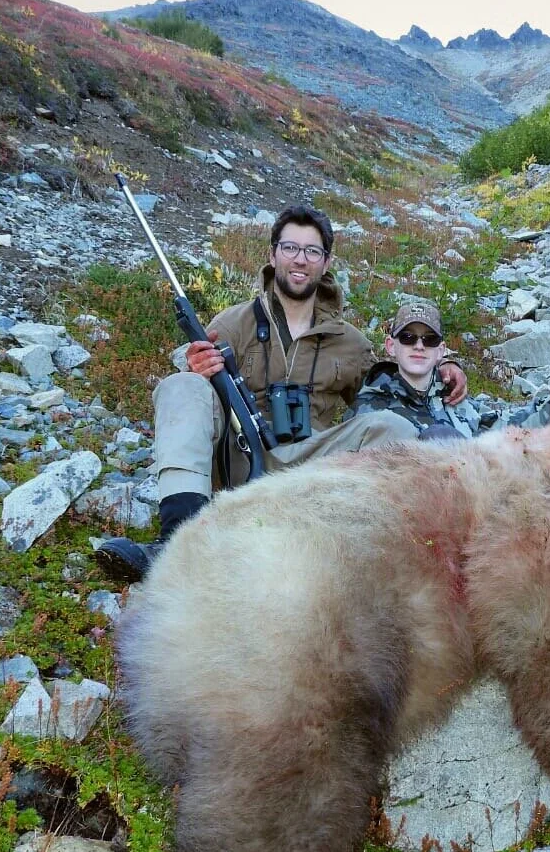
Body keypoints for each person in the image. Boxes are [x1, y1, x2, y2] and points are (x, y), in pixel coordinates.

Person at [95, 204, 469, 582]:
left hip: (313, 474)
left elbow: (393, 382)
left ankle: (395, 553)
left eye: (312, 251)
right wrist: (197, 372)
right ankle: (177, 542)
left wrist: (445, 365)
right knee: (181, 386)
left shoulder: (351, 343)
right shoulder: (232, 324)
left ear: (326, 262)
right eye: (290, 248)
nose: (300, 260)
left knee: (391, 427)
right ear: (272, 254)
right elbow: (192, 408)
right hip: (240, 461)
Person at [345, 296, 481, 441]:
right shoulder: (367, 411)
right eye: (407, 337)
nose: (419, 346)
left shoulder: (455, 397)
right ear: (390, 346)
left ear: (440, 350)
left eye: (430, 339)